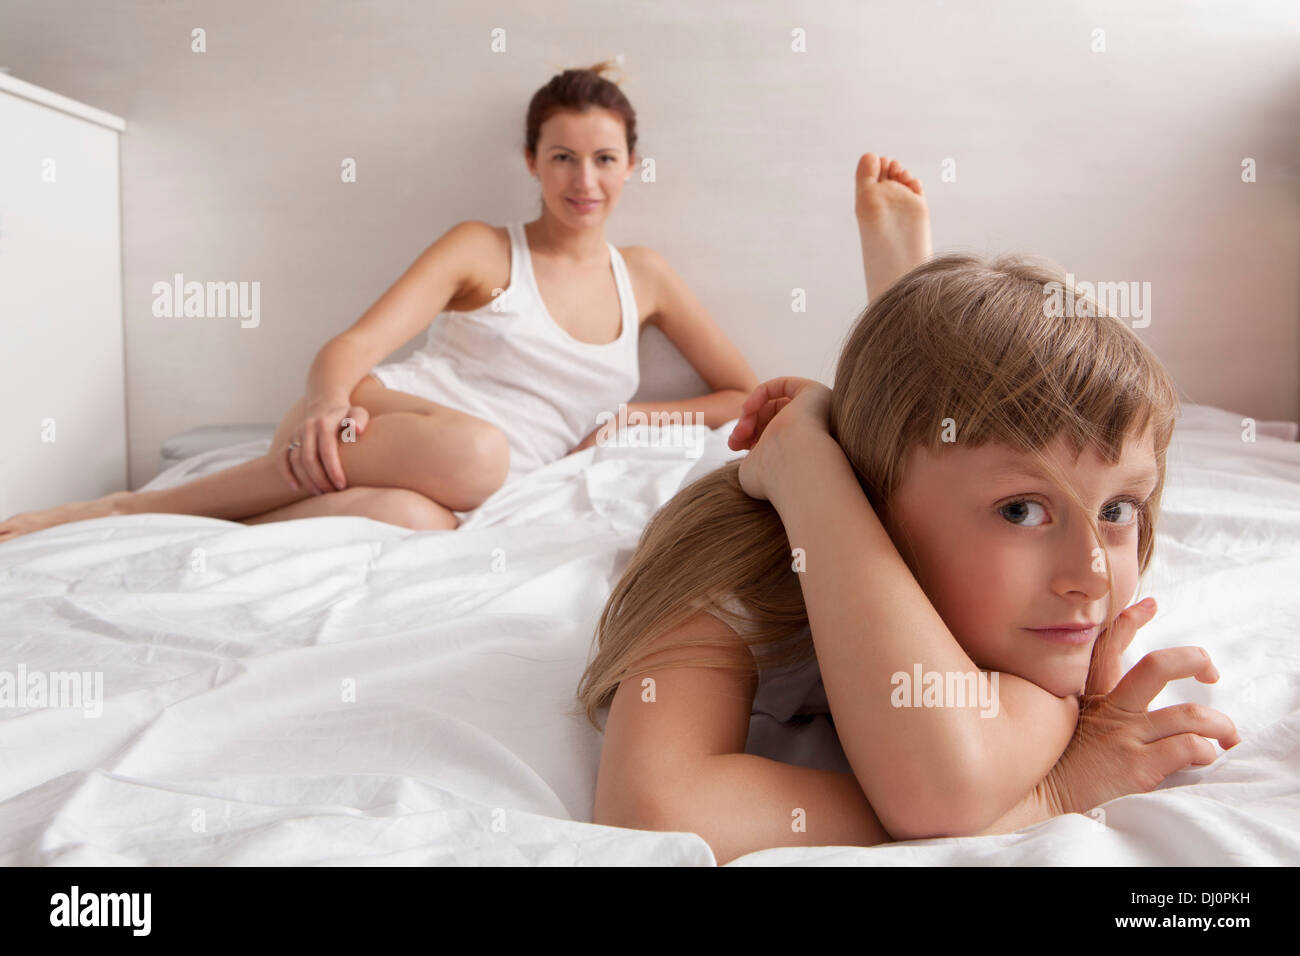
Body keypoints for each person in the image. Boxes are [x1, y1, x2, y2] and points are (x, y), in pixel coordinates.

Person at [577, 152, 1241, 865]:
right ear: (858, 498)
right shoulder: (737, 569)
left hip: (885, 483)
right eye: (1021, 511)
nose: (1093, 578)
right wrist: (800, 460)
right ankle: (879, 339)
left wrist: (1046, 782)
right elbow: (656, 809)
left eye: (1118, 508)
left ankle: (901, 304)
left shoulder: (1047, 633)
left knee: (923, 436)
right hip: (789, 499)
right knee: (905, 443)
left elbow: (946, 787)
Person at [0, 61, 758, 540]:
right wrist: (329, 404)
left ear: (632, 168)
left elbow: (745, 394)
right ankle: (116, 512)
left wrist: (634, 419)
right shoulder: (484, 247)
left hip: (456, 489)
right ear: (531, 161)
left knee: (414, 521)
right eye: (562, 157)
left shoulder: (645, 276)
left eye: (604, 159)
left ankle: (181, 530)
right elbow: (352, 347)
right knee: (478, 450)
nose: (582, 181)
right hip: (380, 423)